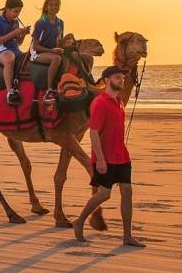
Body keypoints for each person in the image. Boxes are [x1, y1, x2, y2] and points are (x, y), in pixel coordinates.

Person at [73, 66, 145, 247]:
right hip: (106, 158)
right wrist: (101, 159)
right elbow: (94, 133)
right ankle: (80, 221)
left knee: (127, 192)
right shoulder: (100, 102)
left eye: (122, 77)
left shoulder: (119, 101)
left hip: (122, 156)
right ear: (107, 80)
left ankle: (127, 236)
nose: (121, 80)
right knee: (104, 194)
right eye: (117, 78)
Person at [0, 0, 32, 105]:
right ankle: (10, 92)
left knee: (30, 57)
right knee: (9, 59)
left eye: (19, 12)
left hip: (14, 48)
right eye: (15, 11)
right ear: (7, 9)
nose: (17, 14)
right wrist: (14, 33)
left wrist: (23, 34)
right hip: (0, 48)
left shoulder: (15, 22)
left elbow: (18, 43)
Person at [32, 0, 67, 102]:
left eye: (56, 5)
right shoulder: (40, 23)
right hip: (38, 52)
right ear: (46, 7)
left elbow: (59, 41)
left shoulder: (60, 23)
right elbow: (35, 45)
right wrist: (52, 51)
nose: (54, 7)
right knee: (56, 59)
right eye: (51, 5)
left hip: (53, 51)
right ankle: (49, 90)